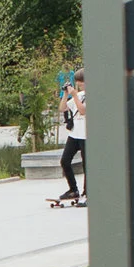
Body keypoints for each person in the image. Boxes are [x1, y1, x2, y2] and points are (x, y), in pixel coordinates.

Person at [58, 71, 86, 205]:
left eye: (82, 81)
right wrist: (66, 94)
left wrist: (75, 96)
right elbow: (62, 108)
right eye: (78, 81)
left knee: (88, 166)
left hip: (87, 135)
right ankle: (73, 189)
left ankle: (88, 193)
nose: (79, 84)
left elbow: (82, 111)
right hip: (75, 134)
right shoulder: (78, 95)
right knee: (65, 161)